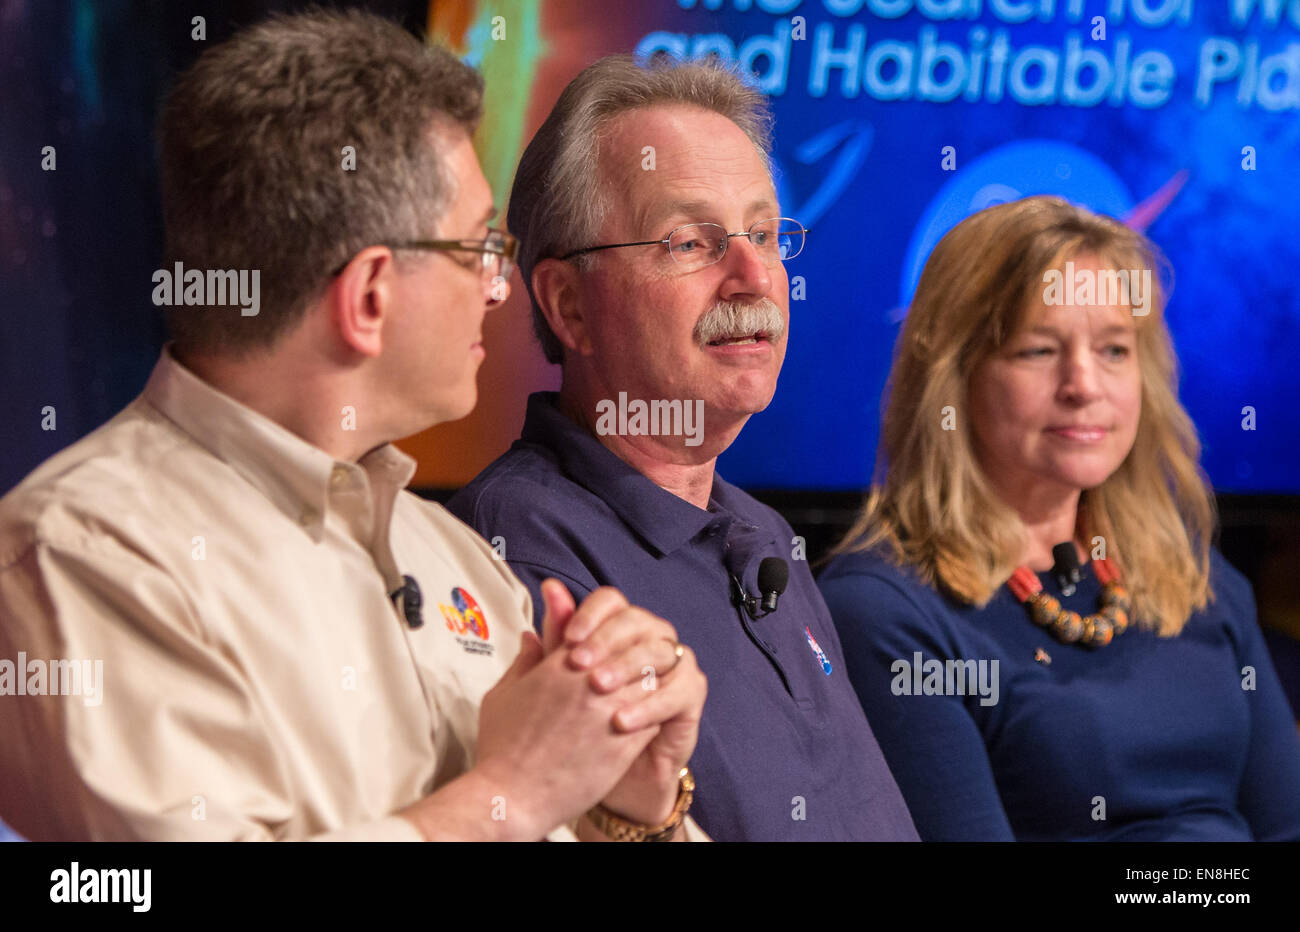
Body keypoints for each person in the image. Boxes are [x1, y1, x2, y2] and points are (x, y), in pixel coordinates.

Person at [0, 11, 708, 843]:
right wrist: (508, 796)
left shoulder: (459, 560)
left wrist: (634, 809)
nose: (498, 287)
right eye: (481, 246)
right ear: (370, 297)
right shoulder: (83, 559)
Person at [447, 55, 917, 842]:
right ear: (570, 306)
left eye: (764, 235)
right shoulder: (516, 553)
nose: (754, 278)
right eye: (689, 244)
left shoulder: (763, 533)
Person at [818, 195, 1300, 841]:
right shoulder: (882, 613)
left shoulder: (1187, 568)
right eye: (1038, 351)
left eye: (1114, 350)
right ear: (953, 378)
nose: (1084, 385)